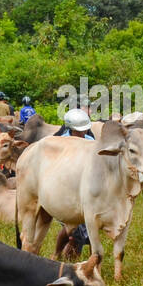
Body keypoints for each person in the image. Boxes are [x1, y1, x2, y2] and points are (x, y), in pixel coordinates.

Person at [53, 109, 96, 259]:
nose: (82, 134)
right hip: (64, 190)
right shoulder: (59, 142)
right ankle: (57, 254)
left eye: (85, 130)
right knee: (70, 229)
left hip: (85, 190)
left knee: (89, 230)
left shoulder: (91, 141)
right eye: (79, 132)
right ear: (70, 129)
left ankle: (88, 261)